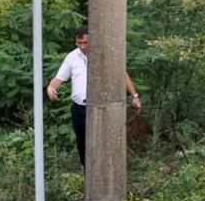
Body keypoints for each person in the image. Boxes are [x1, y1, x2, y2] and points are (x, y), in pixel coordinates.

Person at [46, 24, 142, 168]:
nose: (82, 46)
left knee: (104, 143)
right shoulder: (72, 57)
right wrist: (51, 87)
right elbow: (59, 78)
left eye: (85, 43)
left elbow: (122, 73)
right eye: (79, 43)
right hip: (79, 108)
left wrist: (134, 95)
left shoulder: (105, 54)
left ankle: (107, 173)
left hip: (102, 108)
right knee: (83, 144)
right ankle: (89, 176)